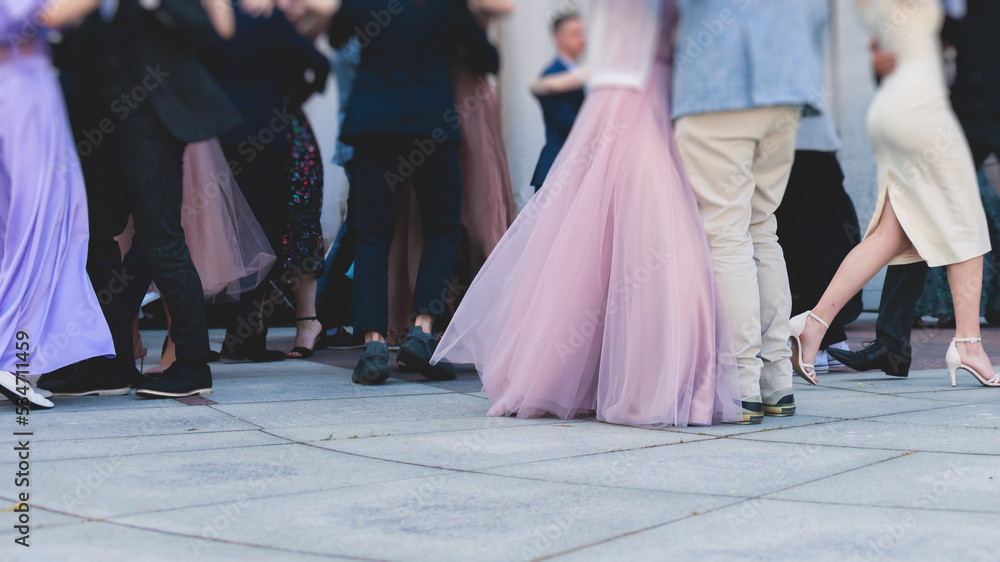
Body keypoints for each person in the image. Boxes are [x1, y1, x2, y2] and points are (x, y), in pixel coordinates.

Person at [430, 0, 741, 427]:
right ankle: (642, 381)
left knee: (629, 237)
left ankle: (631, 376)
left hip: (651, 96)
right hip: (632, 98)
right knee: (648, 237)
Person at [793, 0, 998, 389]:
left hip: (893, 108)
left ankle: (813, 323)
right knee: (967, 225)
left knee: (891, 235)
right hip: (921, 111)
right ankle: (969, 345)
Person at [43, 0, 242, 399]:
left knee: (160, 237)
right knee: (95, 239)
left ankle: (191, 365)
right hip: (93, 127)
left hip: (152, 124)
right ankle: (111, 363)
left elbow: (213, 40)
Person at [328, 0, 500, 386]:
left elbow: (337, 36)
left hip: (374, 125)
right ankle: (421, 331)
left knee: (372, 235)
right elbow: (486, 57)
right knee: (441, 230)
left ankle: (373, 345)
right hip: (430, 123)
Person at [672, 0, 825, 422]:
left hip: (719, 83)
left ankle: (740, 383)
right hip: (787, 85)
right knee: (761, 229)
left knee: (725, 232)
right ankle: (776, 381)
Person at [0, 0, 116, 409]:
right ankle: (13, 360)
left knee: (23, 227)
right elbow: (46, 14)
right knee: (40, 226)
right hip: (22, 93)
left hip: (21, 90)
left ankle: (21, 363)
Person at [204, 2, 330, 364]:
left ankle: (204, 333)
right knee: (260, 232)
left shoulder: (216, 15)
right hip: (263, 134)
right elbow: (318, 62)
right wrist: (294, 97)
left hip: (215, 134)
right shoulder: (268, 19)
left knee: (220, 230)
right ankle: (244, 332)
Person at [773, 8, 863, 374]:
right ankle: (822, 332)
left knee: (798, 232)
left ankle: (820, 333)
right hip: (803, 131)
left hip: (796, 132)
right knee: (811, 229)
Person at [529, 11, 586, 192]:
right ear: (557, 38)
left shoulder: (580, 73)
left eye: (583, 33)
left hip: (574, 167)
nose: (581, 39)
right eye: (574, 34)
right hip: (557, 169)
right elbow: (567, 122)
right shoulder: (552, 75)